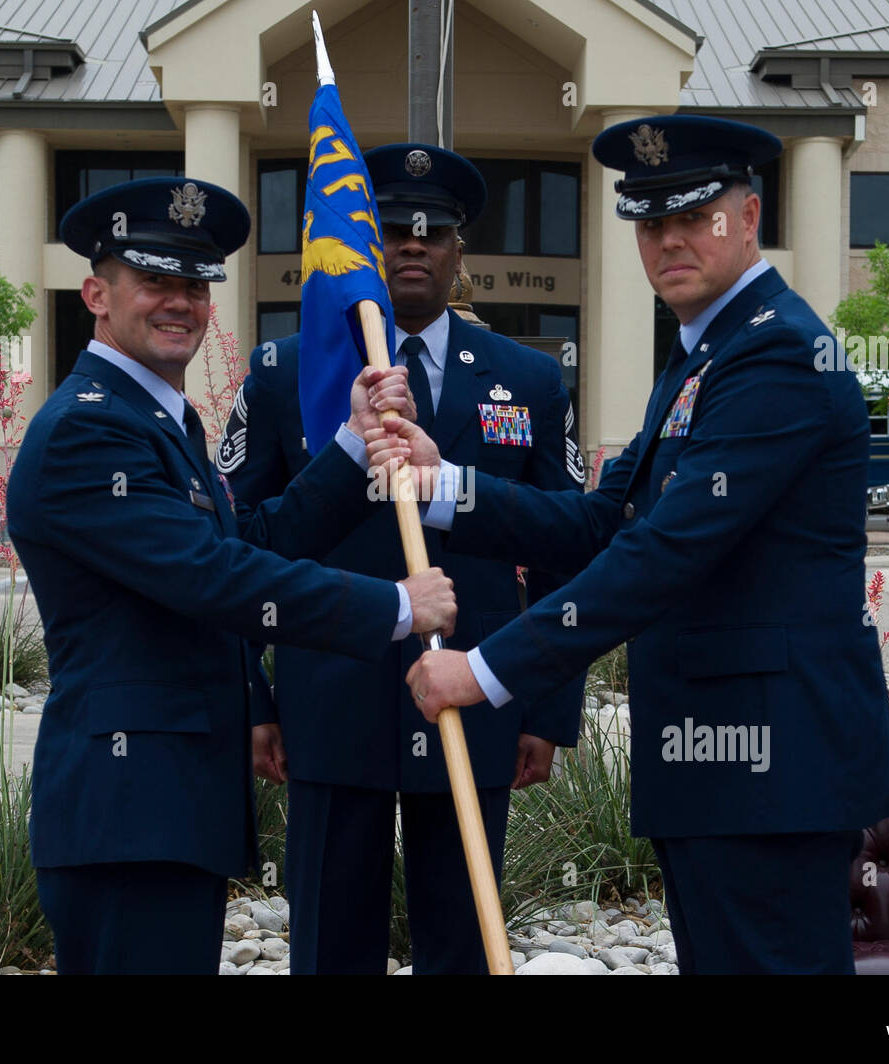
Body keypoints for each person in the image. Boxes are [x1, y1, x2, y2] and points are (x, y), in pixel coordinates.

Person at [370, 116, 889, 975]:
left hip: (771, 770)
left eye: (694, 217)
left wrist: (485, 672)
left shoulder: (778, 354)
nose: (669, 241)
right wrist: (444, 486)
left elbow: (664, 552)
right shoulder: (702, 355)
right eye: (651, 223)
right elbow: (596, 524)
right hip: (718, 771)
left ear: (749, 216)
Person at [6, 176, 457, 975]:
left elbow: (252, 535)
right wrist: (391, 605)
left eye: (195, 285)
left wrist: (353, 446)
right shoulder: (89, 430)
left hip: (166, 806)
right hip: (129, 809)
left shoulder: (157, 418)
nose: (179, 302)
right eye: (154, 281)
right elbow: (213, 575)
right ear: (95, 295)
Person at [218, 144, 587, 974]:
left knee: (462, 937)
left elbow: (566, 542)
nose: (412, 246)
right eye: (392, 230)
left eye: (434, 234)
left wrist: (545, 708)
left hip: (474, 690)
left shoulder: (527, 378)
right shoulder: (287, 374)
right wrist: (254, 700)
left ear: (461, 253)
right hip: (327, 694)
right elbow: (234, 552)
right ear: (363, 245)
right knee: (328, 940)